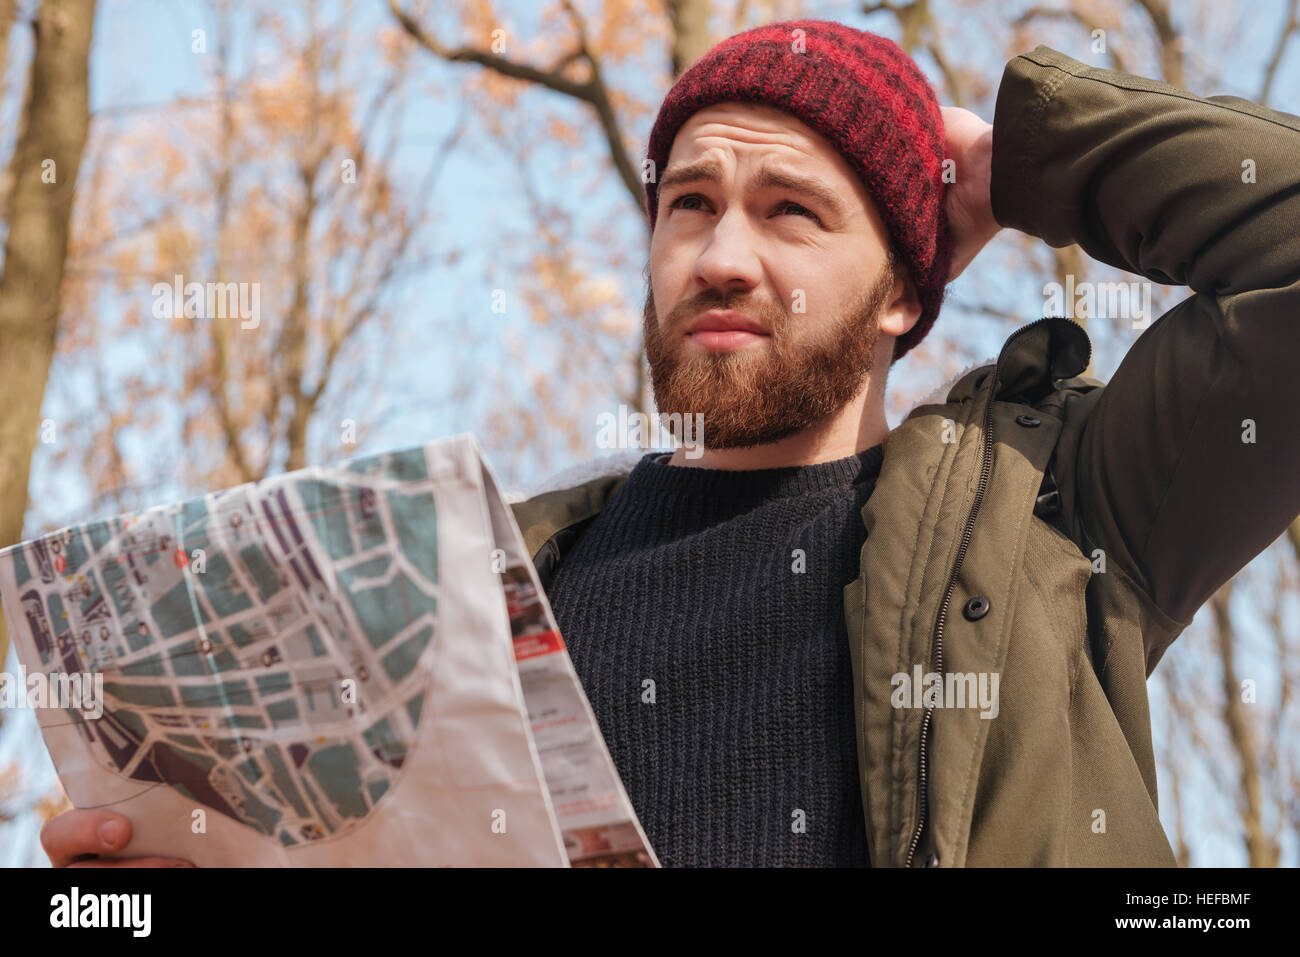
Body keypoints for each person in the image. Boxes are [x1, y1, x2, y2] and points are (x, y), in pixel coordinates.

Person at [43, 19, 1299, 868]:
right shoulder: (475, 609)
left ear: (905, 293)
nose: (720, 255)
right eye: (688, 203)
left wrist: (1018, 157)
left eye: (793, 210)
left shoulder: (1058, 519)